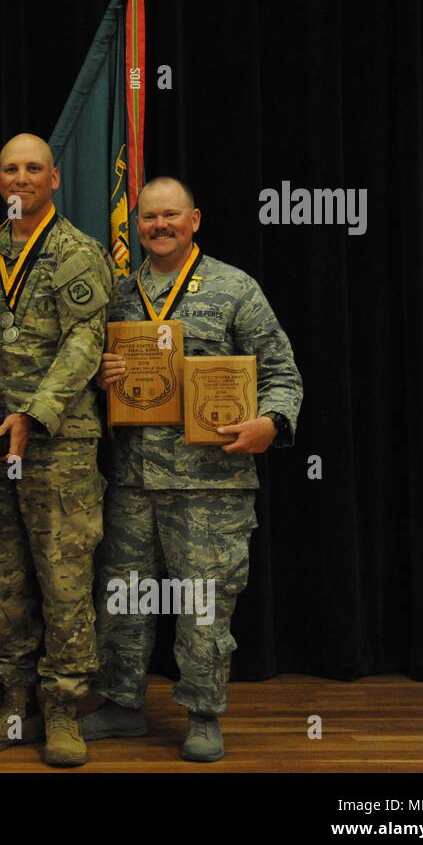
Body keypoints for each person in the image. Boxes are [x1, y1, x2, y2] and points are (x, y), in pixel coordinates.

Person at [86, 175, 302, 761]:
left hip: (213, 485)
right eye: (149, 217)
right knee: (123, 601)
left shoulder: (236, 289)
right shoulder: (119, 295)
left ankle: (204, 713)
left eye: (171, 216)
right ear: (138, 224)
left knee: (204, 606)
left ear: (195, 220)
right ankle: (121, 704)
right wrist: (101, 380)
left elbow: (283, 373)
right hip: (132, 481)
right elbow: (93, 385)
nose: (160, 226)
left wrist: (271, 424)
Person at [0, 133, 114, 767]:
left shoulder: (79, 253)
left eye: (33, 169)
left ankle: (64, 709)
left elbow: (84, 347)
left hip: (58, 445)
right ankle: (13, 704)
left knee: (65, 580)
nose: (21, 179)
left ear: (53, 179)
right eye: (10, 170)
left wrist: (34, 414)